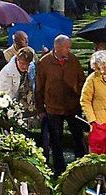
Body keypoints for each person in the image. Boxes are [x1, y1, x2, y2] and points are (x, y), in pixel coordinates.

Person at [35, 35, 86, 173]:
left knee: (78, 137)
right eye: (67, 47)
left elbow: (82, 80)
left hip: (73, 106)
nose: (69, 50)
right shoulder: (44, 63)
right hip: (53, 108)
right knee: (56, 141)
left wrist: (79, 94)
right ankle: (59, 170)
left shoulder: (73, 60)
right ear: (57, 48)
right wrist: (40, 109)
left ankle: (82, 167)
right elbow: (39, 87)